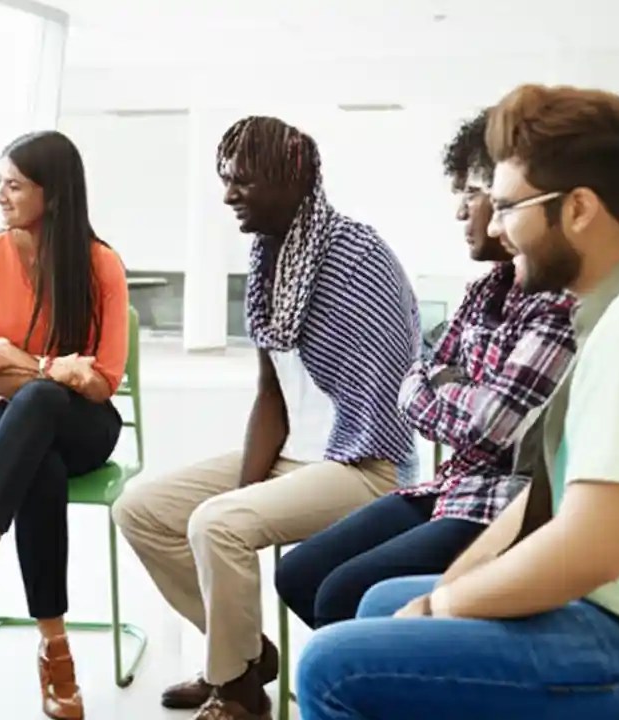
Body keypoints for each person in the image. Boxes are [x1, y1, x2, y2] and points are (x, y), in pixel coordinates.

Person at [296, 85, 619, 720]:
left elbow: (590, 550)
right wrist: (451, 588)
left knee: (332, 667)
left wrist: (440, 607)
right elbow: (542, 500)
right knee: (381, 604)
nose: (494, 228)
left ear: (579, 208)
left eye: (507, 207)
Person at [113, 116, 421, 720]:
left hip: (364, 463)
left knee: (217, 524)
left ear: (292, 178)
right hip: (293, 457)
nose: (229, 195)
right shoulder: (269, 260)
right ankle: (243, 656)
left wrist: (236, 508)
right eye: (226, 180)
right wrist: (247, 490)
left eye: (244, 181)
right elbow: (271, 394)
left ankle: (237, 693)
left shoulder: (359, 258)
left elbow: (389, 393)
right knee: (141, 509)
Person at [272, 111, 577, 630]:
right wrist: (451, 386)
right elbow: (413, 382)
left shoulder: (558, 302)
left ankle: (369, 668)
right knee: (298, 573)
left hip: (501, 503)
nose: (461, 211)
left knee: (342, 594)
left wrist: (445, 385)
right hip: (450, 484)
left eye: (473, 193)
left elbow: (489, 428)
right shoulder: (484, 290)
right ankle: (363, 667)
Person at [0, 130, 128, 720]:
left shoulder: (100, 264)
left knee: (39, 402)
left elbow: (102, 382)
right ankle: (55, 648)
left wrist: (21, 362)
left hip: (86, 425)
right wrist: (53, 368)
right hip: (5, 424)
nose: (0, 196)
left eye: (14, 185)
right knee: (40, 463)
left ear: (52, 194)